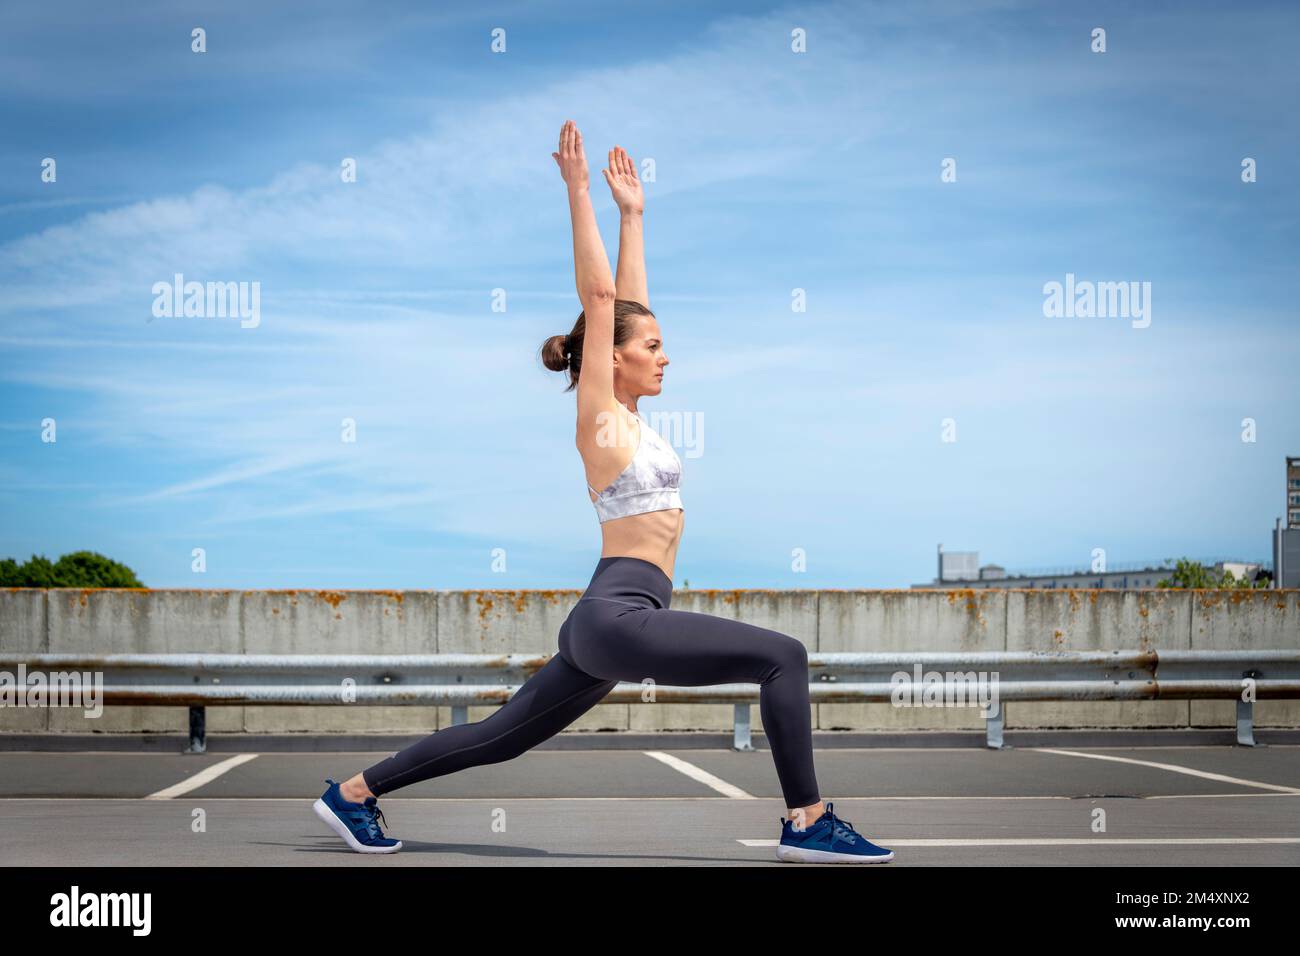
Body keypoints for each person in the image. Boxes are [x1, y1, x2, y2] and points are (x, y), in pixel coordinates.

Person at [313, 120, 893, 864]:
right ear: (608, 359)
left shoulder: (636, 418)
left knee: (500, 738)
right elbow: (603, 296)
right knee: (784, 656)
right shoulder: (601, 422)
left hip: (620, 616)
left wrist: (634, 216)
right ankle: (809, 823)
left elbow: (628, 306)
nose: (665, 356)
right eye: (651, 348)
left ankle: (353, 796)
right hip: (616, 615)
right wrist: (579, 191)